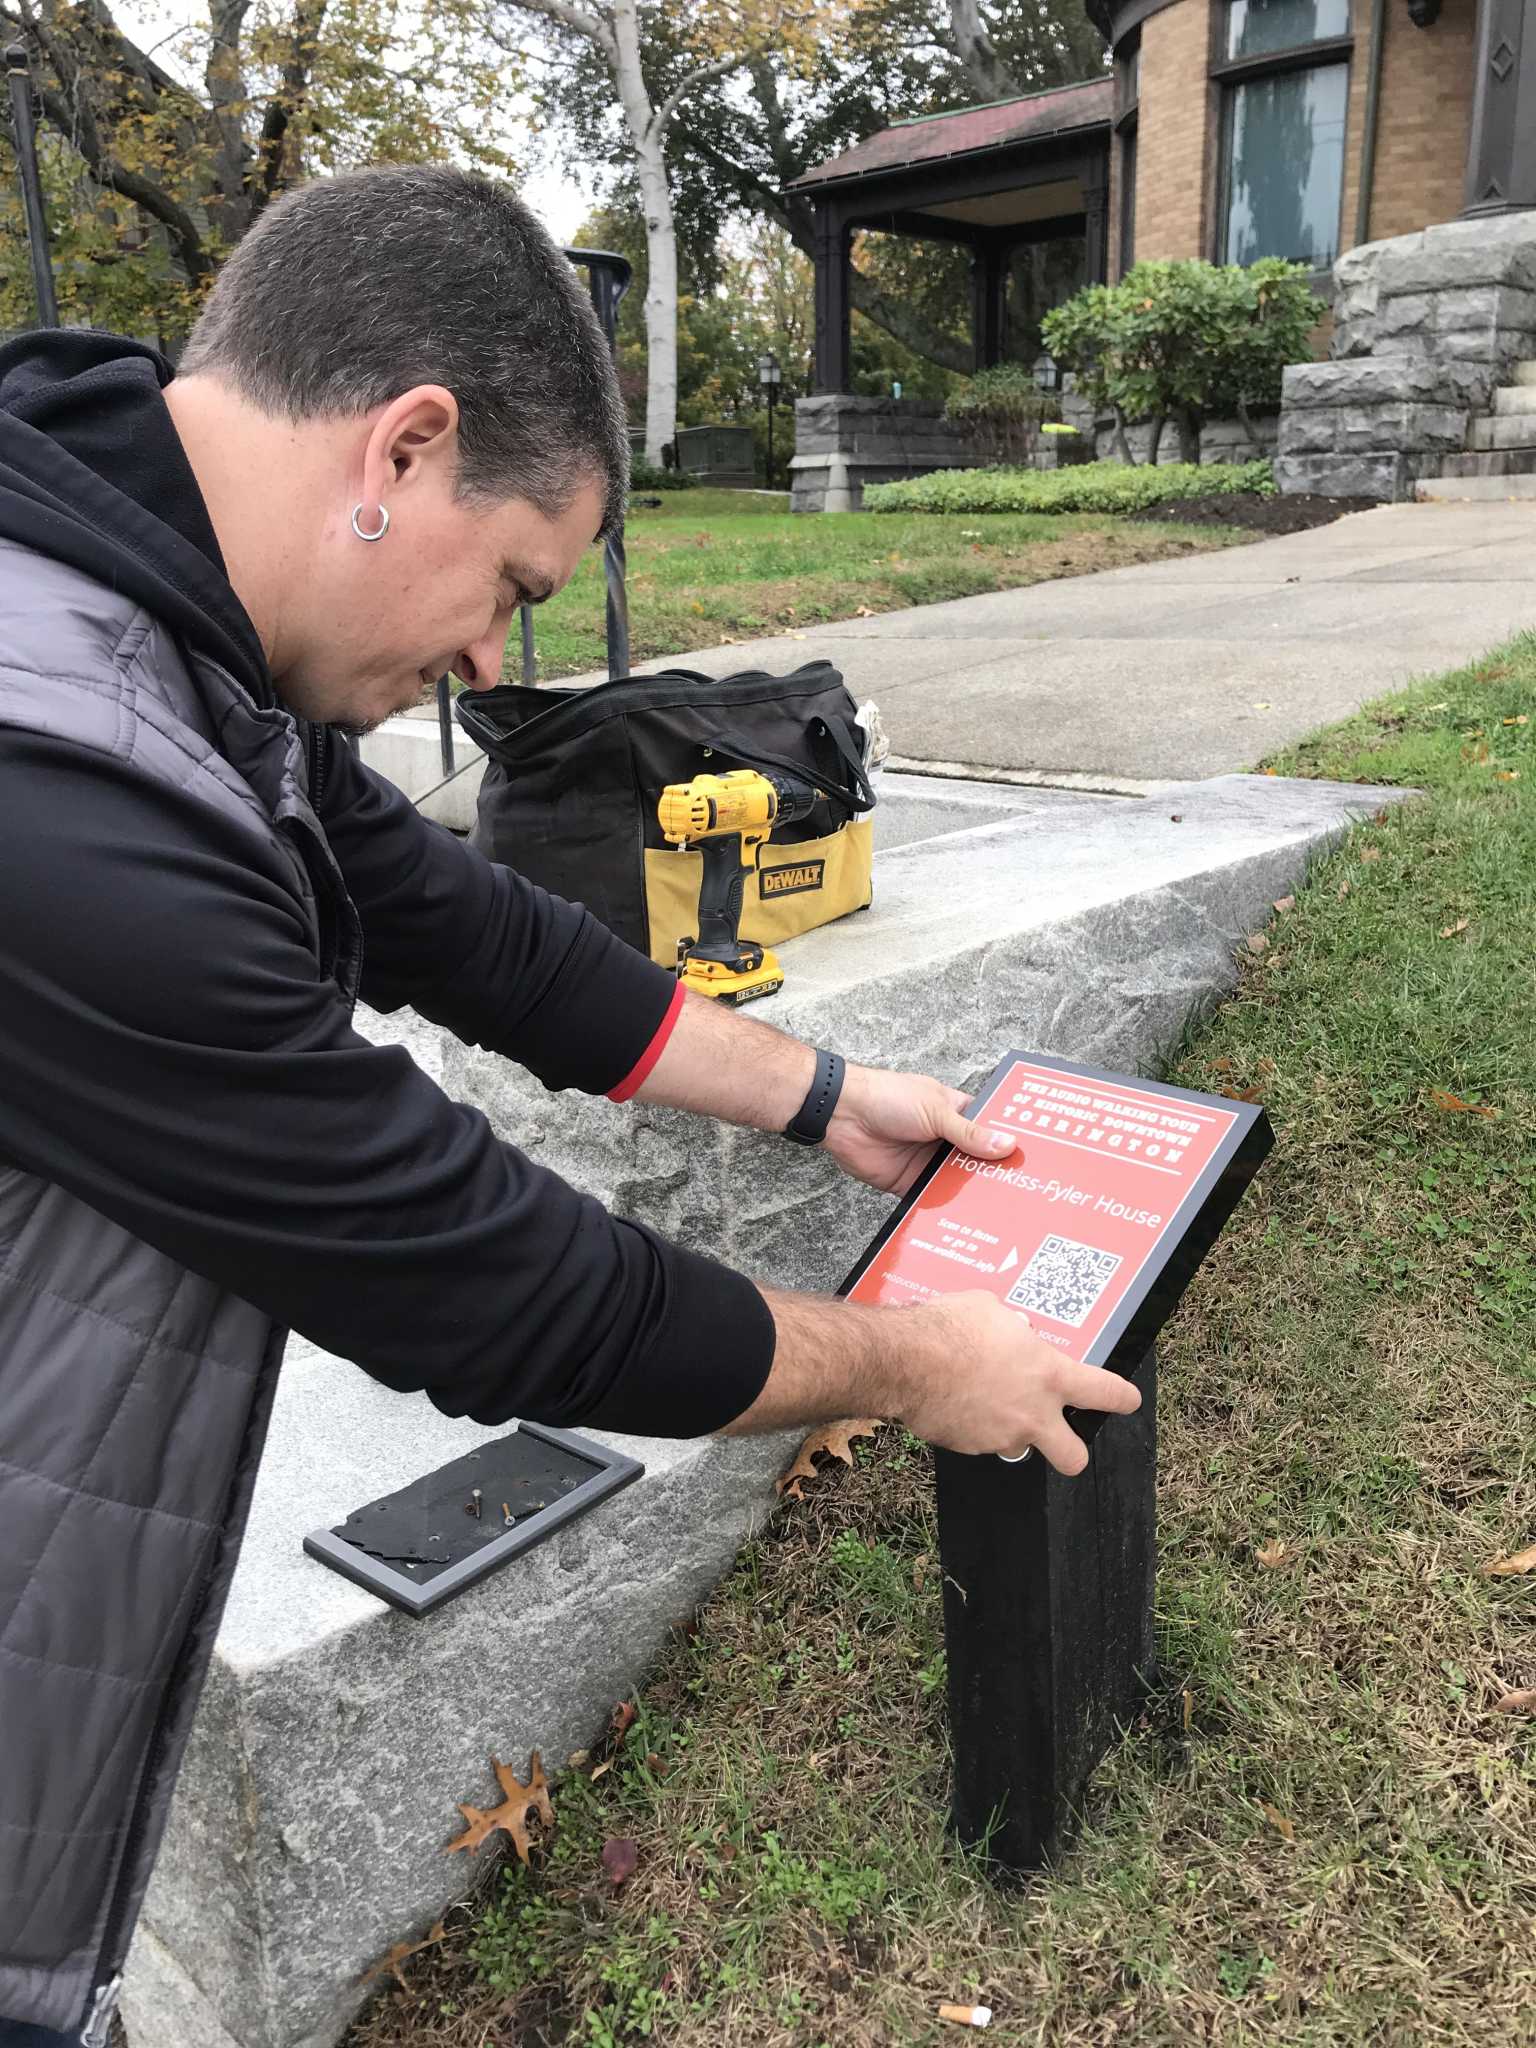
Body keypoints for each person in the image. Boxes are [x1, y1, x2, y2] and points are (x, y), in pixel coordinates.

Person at [0, 166, 1139, 2045]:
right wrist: (911, 1366)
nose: (483, 666)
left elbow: (468, 929)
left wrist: (826, 1095)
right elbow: (483, 1282)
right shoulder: (64, 794)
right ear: (406, 446)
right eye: (514, 588)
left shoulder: (155, 636)